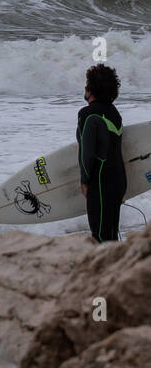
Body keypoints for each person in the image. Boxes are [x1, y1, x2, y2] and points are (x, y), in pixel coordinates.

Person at [78, 64, 126, 243]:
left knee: (99, 236)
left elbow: (87, 153)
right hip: (118, 180)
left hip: (100, 181)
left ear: (91, 89)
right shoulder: (115, 113)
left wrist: (84, 180)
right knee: (111, 235)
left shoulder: (87, 114)